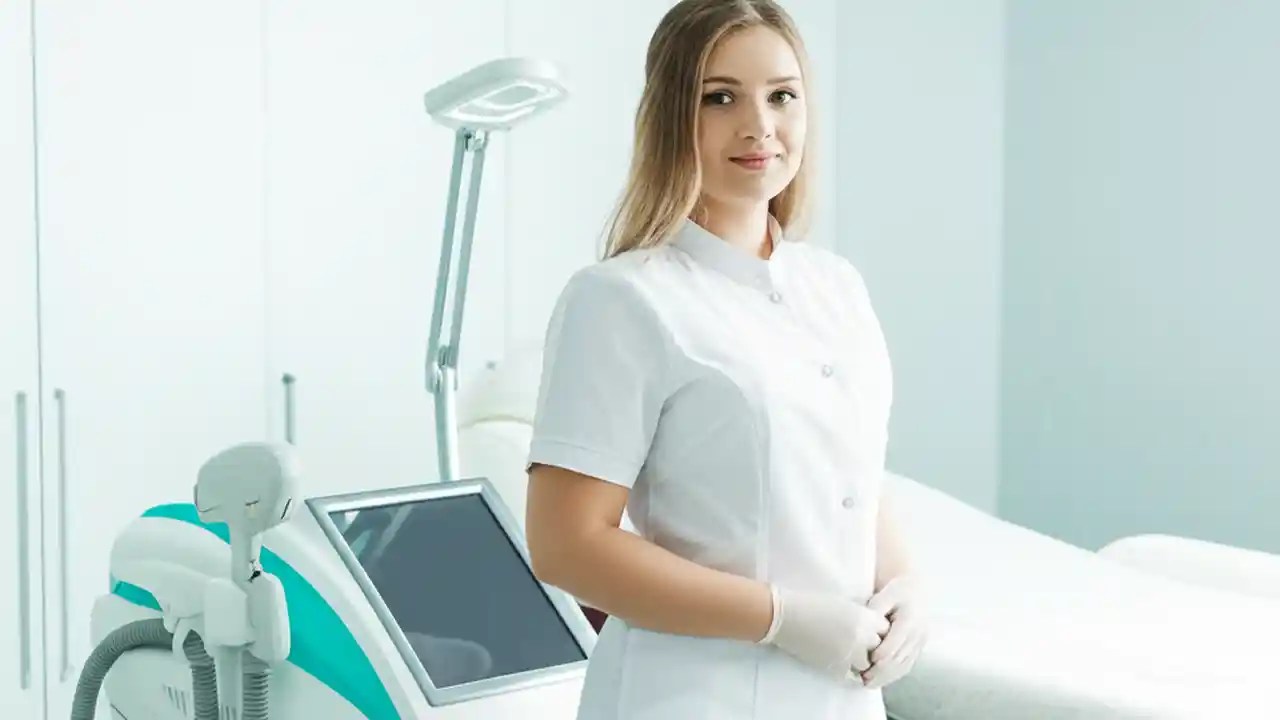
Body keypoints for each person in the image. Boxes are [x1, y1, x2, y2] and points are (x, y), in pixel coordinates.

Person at [523, 1, 927, 717]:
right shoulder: (621, 301)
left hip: (839, 698)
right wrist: (782, 617)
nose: (759, 126)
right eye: (720, 98)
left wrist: (902, 586)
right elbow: (568, 545)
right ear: (673, 115)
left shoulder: (837, 288)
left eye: (781, 96)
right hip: (690, 696)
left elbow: (848, 476)